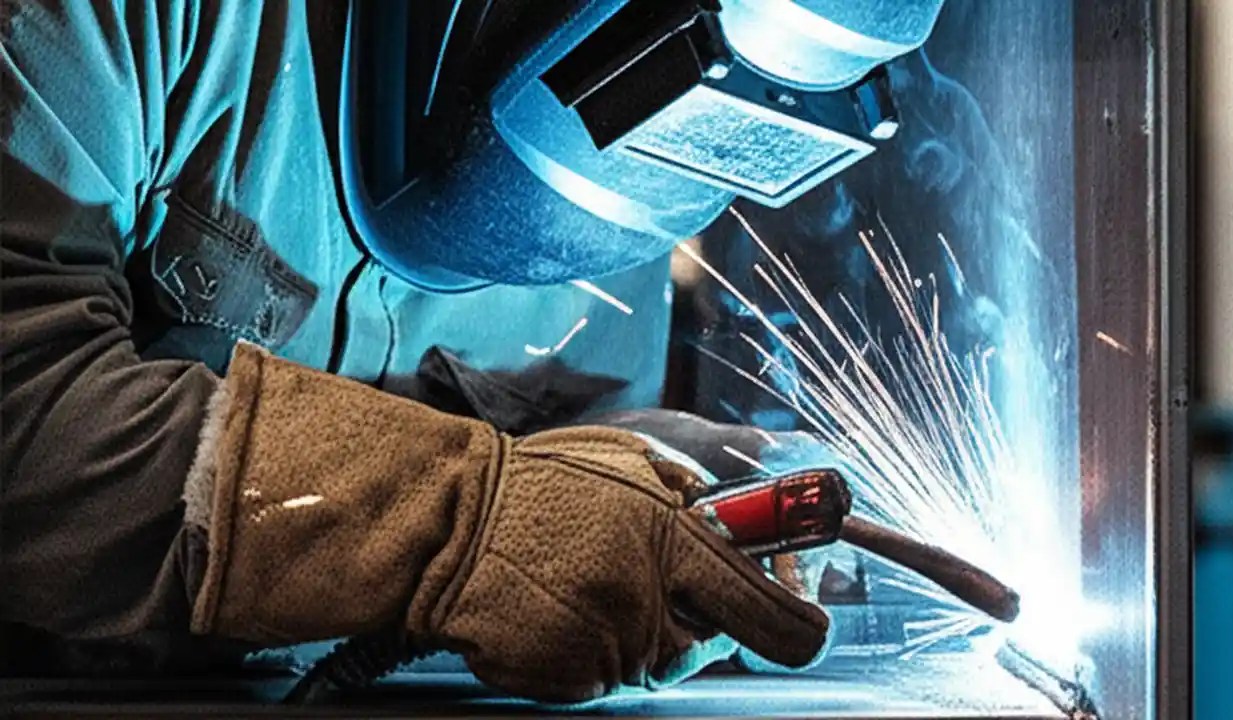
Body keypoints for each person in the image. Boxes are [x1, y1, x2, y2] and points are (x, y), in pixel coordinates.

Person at [1, 0, 943, 704]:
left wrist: (647, 476)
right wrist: (454, 523)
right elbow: (22, 421)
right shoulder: (143, 20)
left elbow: (551, 509)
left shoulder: (634, 232)